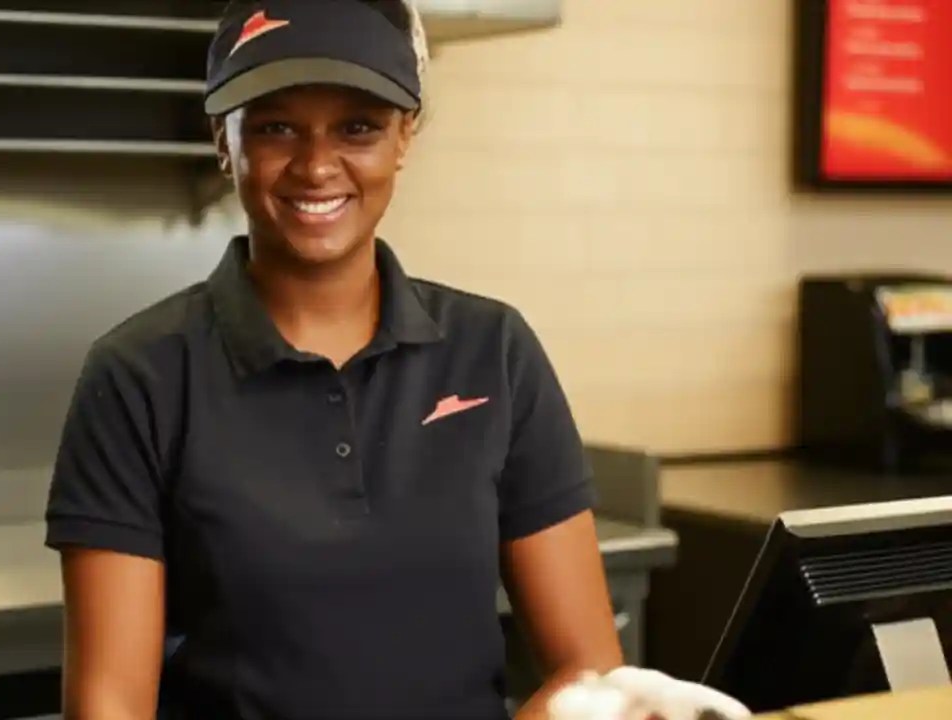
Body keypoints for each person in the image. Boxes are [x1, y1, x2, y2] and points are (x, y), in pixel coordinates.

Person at [44, 2, 747, 719]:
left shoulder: (494, 351)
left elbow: (589, 672)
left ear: (405, 136)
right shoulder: (137, 376)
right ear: (223, 142)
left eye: (359, 127)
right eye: (276, 125)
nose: (317, 165)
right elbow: (110, 707)